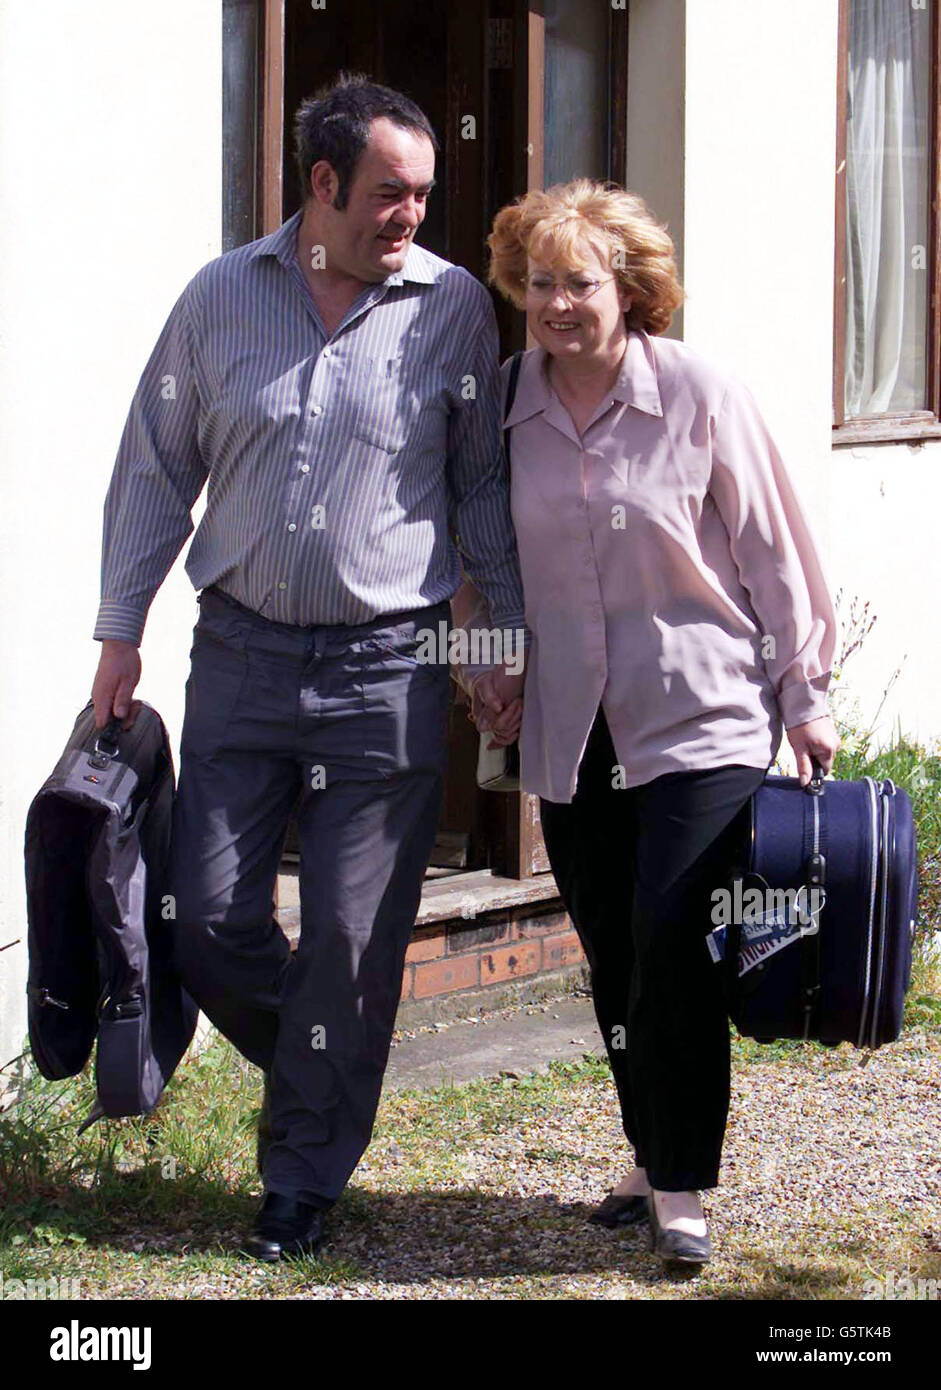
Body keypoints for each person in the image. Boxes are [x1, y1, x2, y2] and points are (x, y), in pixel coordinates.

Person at [89, 72, 527, 1261]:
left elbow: (479, 490)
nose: (411, 220)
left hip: (386, 668)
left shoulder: (452, 312)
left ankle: (299, 1183)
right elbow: (154, 467)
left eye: (424, 197)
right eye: (389, 194)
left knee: (346, 938)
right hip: (237, 653)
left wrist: (492, 652)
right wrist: (117, 627)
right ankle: (332, 1060)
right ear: (321, 184)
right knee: (207, 919)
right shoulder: (217, 301)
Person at [457, 178, 839, 1265]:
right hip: (573, 728)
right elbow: (478, 555)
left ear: (626, 287)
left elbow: (773, 552)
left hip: (700, 715)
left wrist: (804, 696)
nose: (557, 304)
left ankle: (680, 1185)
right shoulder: (501, 403)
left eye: (578, 282)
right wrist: (483, 667)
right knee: (614, 954)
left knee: (672, 949)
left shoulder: (698, 393)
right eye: (538, 283)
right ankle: (647, 1144)